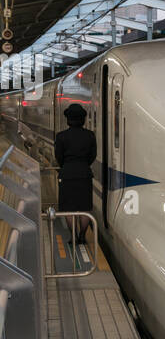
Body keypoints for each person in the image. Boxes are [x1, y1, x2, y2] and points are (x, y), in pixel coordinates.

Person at [54, 103, 97, 244]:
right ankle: (82, 236)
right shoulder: (90, 136)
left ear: (68, 120)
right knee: (84, 207)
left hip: (67, 175)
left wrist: (66, 167)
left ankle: (73, 237)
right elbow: (93, 155)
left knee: (69, 208)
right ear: (83, 119)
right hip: (85, 174)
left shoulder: (61, 137)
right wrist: (83, 166)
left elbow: (58, 157)